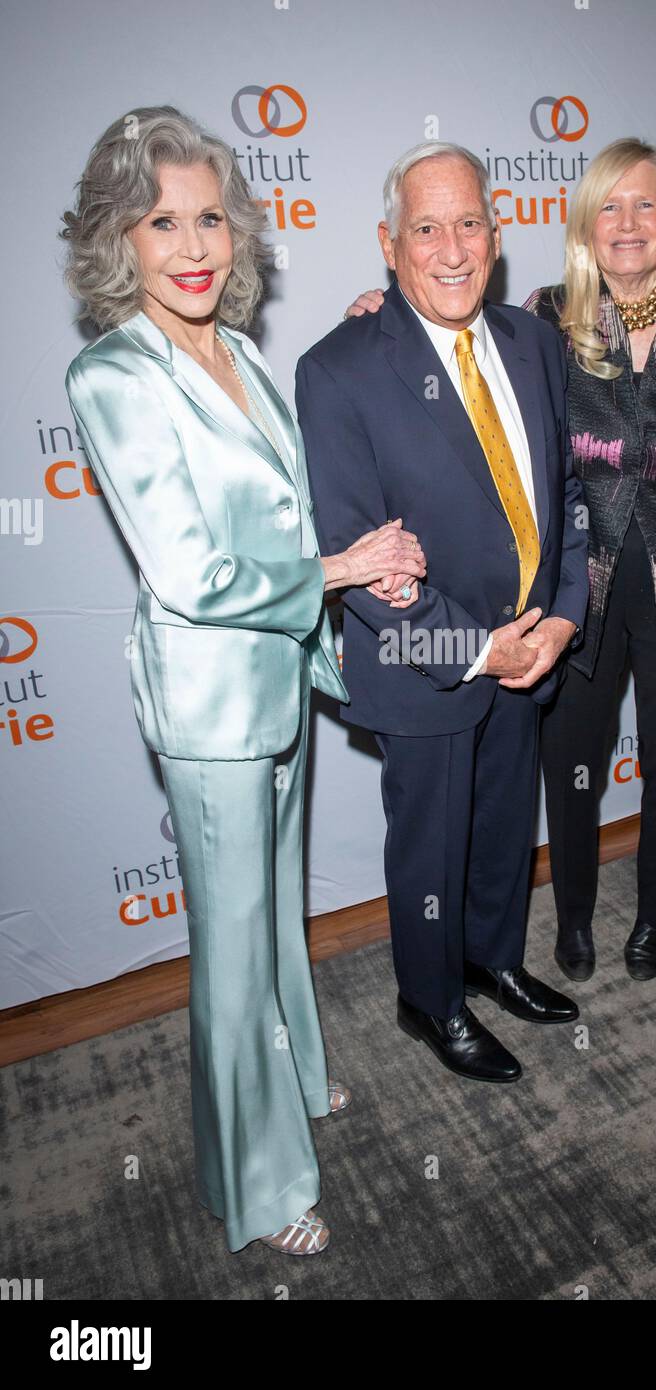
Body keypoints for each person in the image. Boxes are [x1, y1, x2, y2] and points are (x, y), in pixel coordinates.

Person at [62, 106, 426, 1256]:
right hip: (210, 704)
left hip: (274, 679)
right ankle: (259, 1186)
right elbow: (190, 567)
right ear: (118, 240)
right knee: (228, 954)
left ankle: (300, 1085)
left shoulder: (240, 350)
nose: (191, 244)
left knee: (276, 923)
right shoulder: (113, 374)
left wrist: (362, 329)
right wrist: (341, 568)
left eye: (209, 216)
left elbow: (277, 487)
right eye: (159, 221)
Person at [346, 136, 656, 986]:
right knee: (569, 772)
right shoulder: (544, 319)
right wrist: (380, 309)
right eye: (608, 205)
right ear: (583, 223)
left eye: (644, 203)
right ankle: (572, 923)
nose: (626, 223)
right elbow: (440, 331)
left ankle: (654, 920)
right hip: (577, 590)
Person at [296, 142, 588, 1085]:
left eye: (470, 224)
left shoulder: (536, 343)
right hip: (432, 664)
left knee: (507, 824)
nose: (452, 248)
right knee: (431, 845)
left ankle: (494, 960)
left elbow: (568, 494)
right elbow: (357, 554)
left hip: (531, 647)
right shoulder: (337, 370)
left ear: (497, 239)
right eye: (427, 227)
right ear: (390, 244)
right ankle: (430, 998)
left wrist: (564, 617)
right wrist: (478, 650)